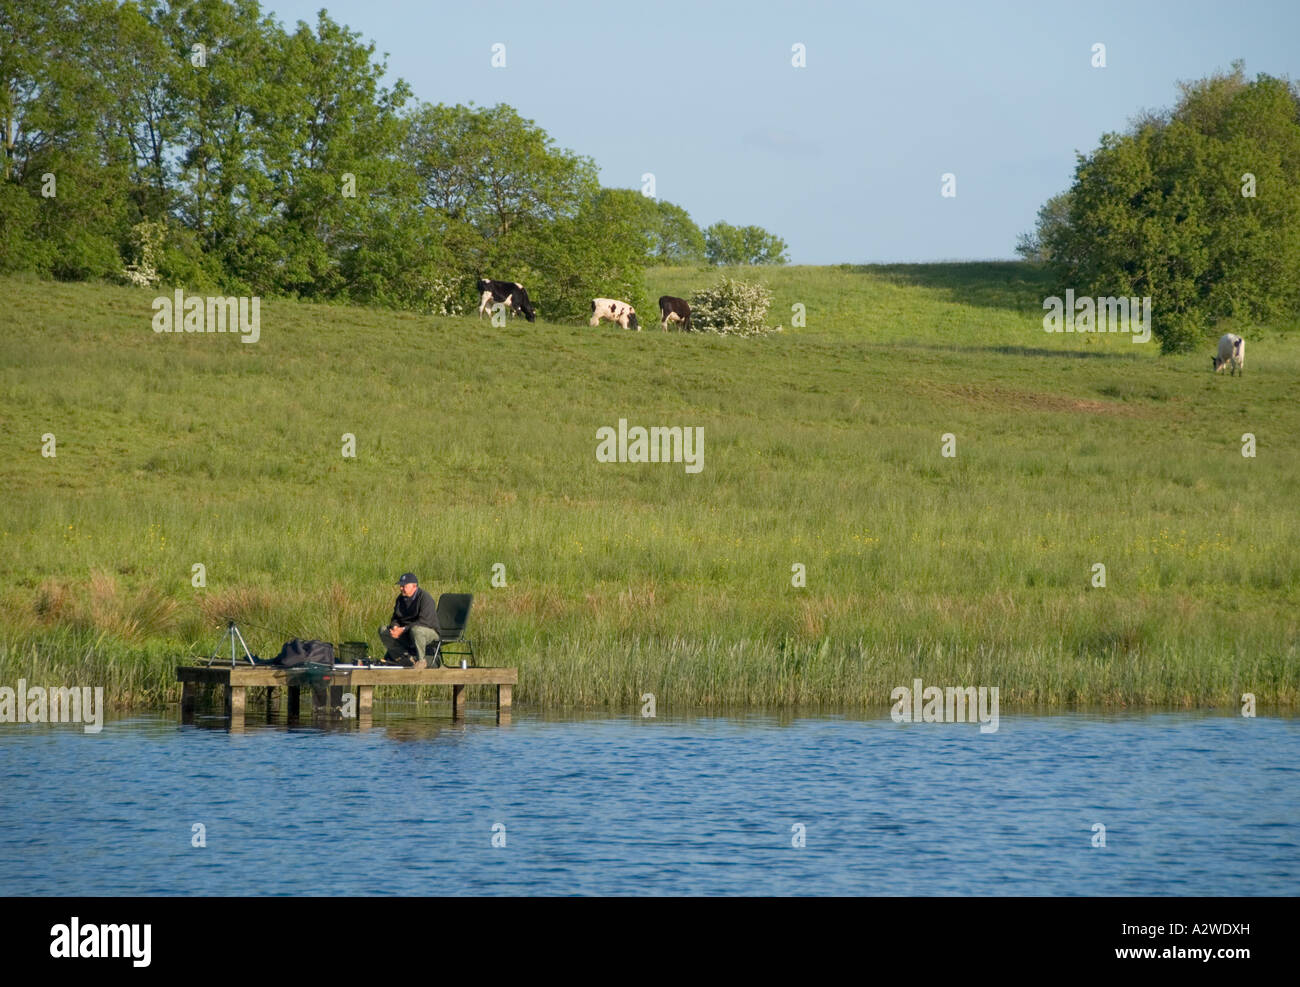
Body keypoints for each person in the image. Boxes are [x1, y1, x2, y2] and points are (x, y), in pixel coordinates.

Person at [377, 573, 440, 667]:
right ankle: (404, 658)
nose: (401, 588)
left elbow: (424, 621)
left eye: (404, 586)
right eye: (400, 586)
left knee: (417, 630)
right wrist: (395, 627)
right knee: (383, 630)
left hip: (429, 632)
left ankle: (421, 661)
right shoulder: (400, 599)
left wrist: (403, 630)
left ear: (414, 586)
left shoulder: (425, 598)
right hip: (407, 632)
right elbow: (395, 618)